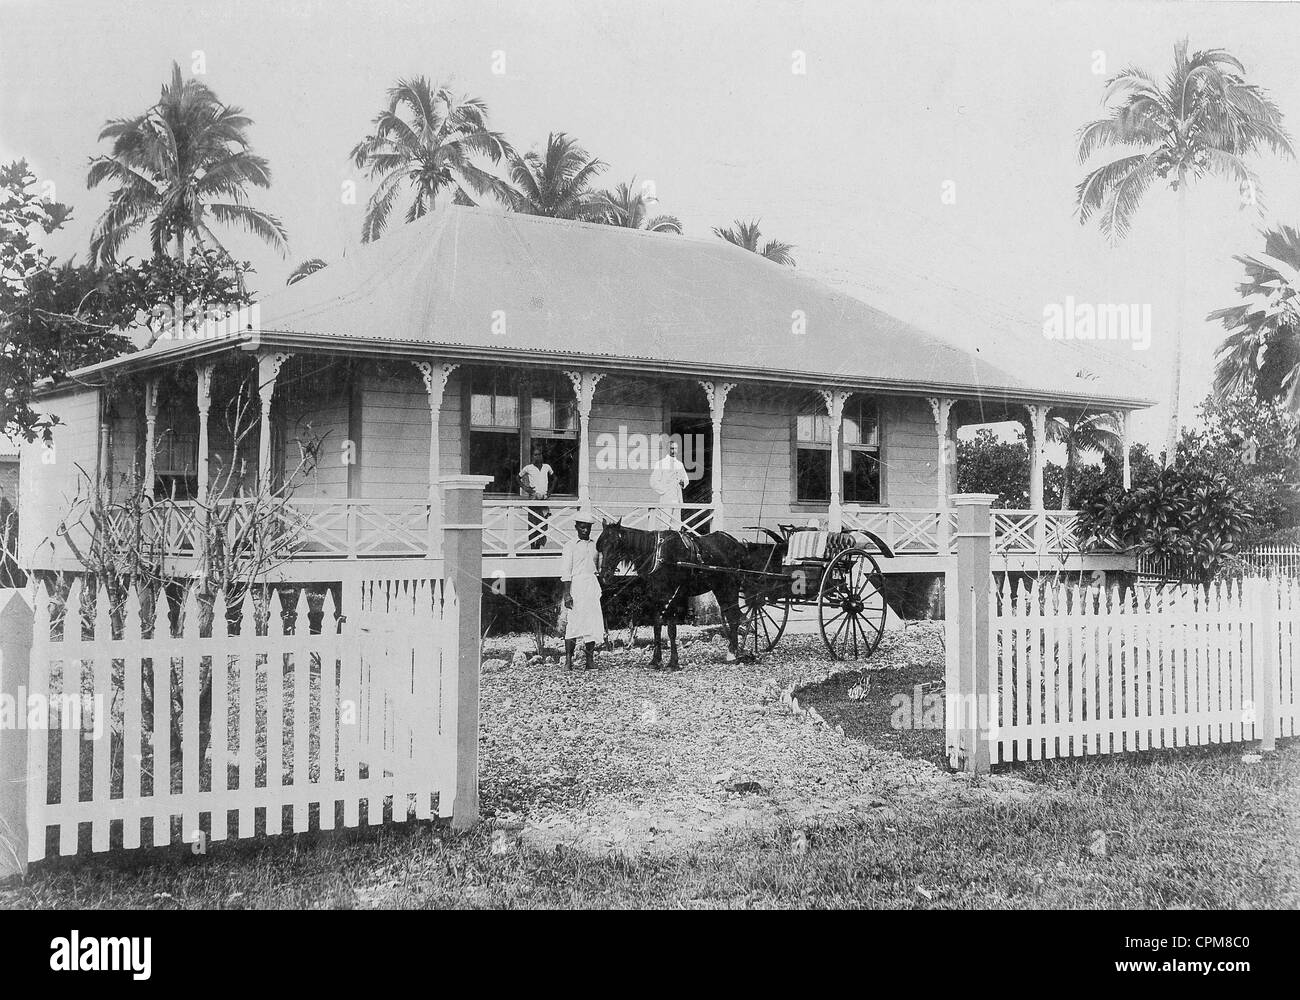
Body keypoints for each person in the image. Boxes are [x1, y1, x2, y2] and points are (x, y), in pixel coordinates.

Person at [561, 508, 604, 670]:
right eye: (582, 526)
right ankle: (568, 660)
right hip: (576, 586)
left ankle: (590, 660)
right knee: (573, 623)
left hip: (592, 584)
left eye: (588, 527)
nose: (586, 530)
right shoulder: (570, 546)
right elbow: (565, 572)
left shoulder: (595, 546)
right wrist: (567, 594)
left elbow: (599, 567)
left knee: (592, 623)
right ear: (576, 527)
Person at [518, 447, 554, 550]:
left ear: (542, 455)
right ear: (532, 456)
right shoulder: (528, 468)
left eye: (539, 454)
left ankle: (539, 545)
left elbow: (555, 478)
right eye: (535, 455)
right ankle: (532, 547)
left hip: (544, 498)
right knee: (533, 521)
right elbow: (517, 477)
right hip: (533, 498)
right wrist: (525, 488)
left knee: (542, 521)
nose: (537, 456)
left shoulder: (547, 467)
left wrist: (550, 491)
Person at [650, 438, 689, 530]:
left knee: (676, 525)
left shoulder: (680, 464)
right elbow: (653, 481)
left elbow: (685, 479)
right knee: (664, 523)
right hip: (666, 498)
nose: (673, 451)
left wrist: (683, 482)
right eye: (671, 448)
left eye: (675, 448)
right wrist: (664, 490)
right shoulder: (661, 463)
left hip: (677, 497)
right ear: (667, 449)